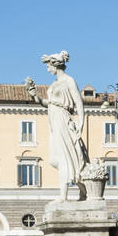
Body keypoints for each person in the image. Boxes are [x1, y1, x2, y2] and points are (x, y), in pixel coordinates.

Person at [33, 50, 89, 202]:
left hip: (63, 120)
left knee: (65, 158)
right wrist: (34, 97)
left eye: (48, 66)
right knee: (55, 159)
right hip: (54, 121)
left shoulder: (69, 81)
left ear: (54, 65)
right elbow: (49, 103)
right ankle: (84, 190)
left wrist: (81, 123)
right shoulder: (55, 84)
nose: (47, 69)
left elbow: (78, 102)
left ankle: (64, 197)